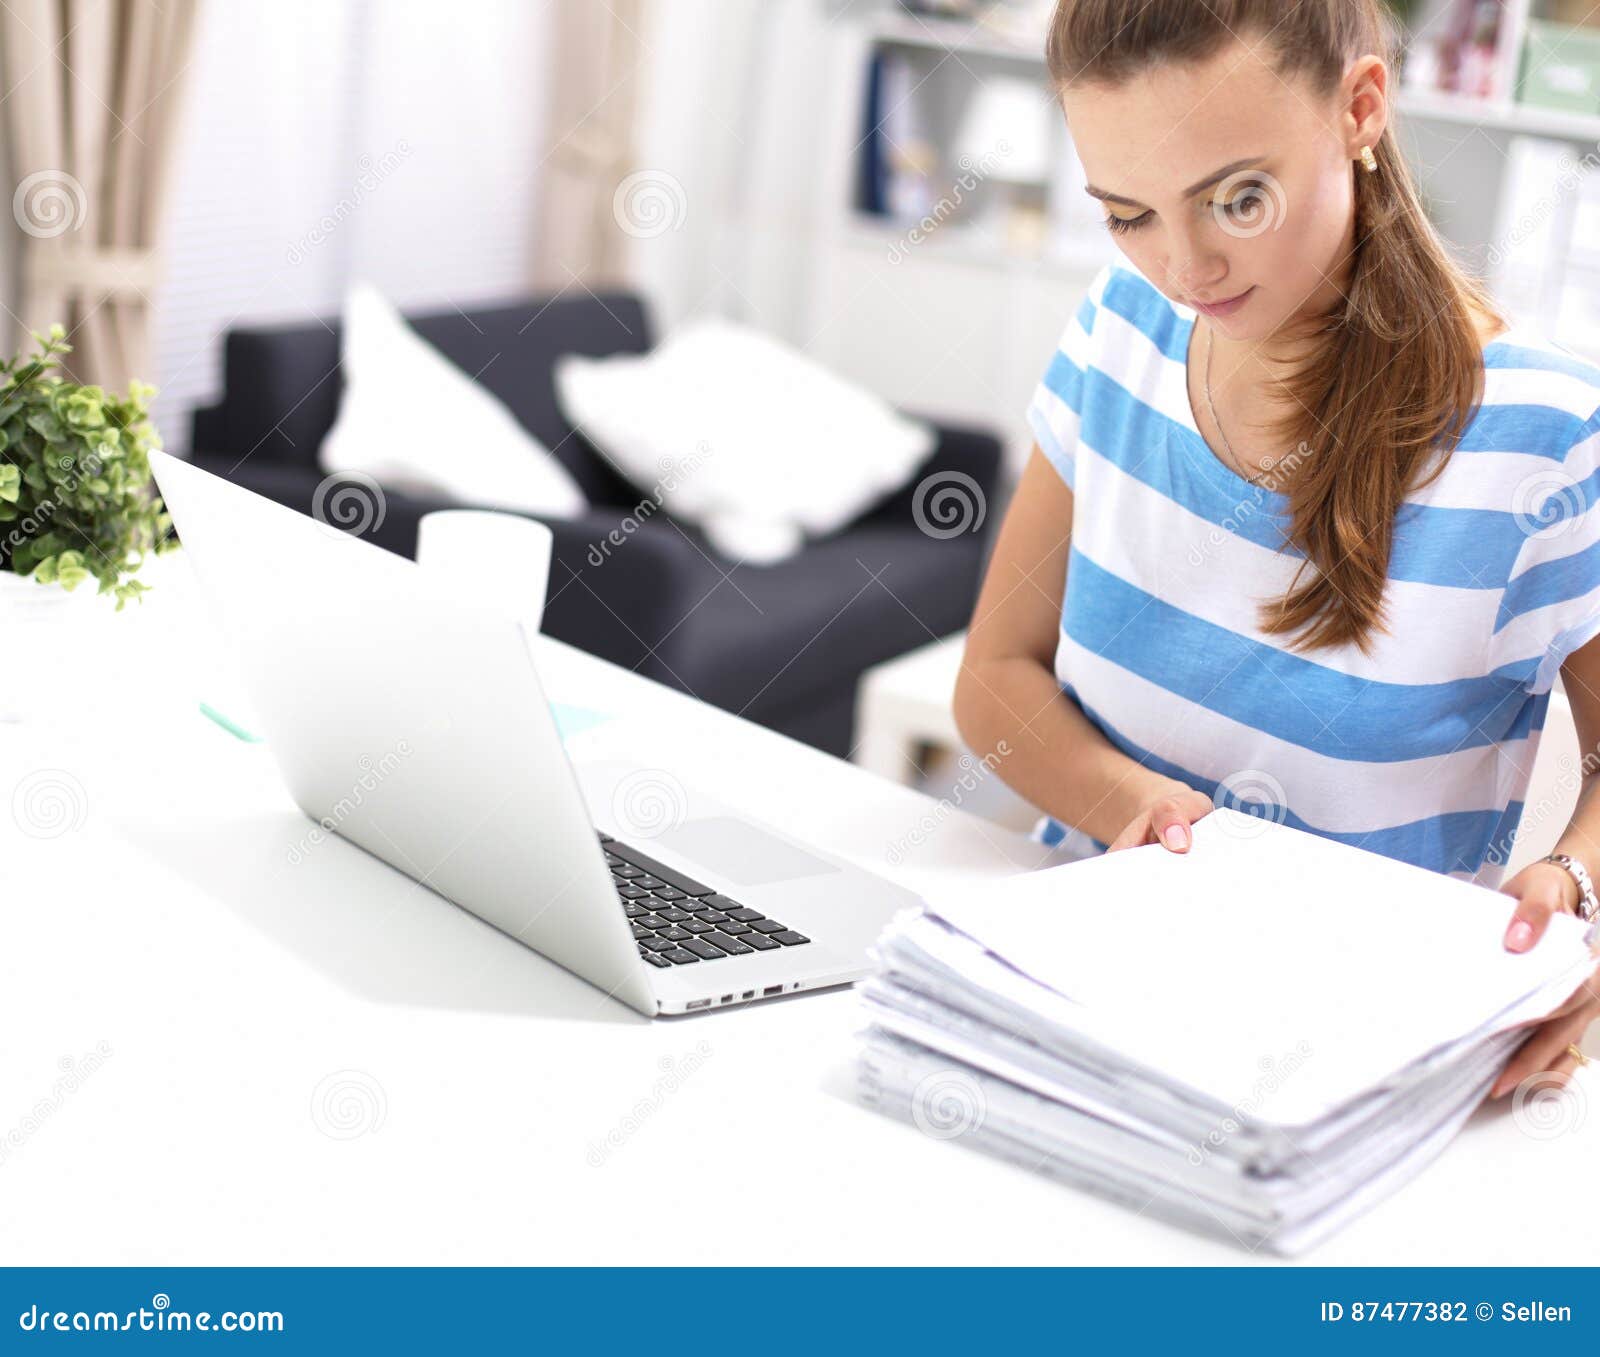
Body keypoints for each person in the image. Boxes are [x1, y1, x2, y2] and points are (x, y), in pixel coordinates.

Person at [952, 0, 1600, 1099]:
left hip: (1352, 1070)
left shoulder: (1542, 434)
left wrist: (1576, 892)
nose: (1183, 264)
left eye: (1236, 198)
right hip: (1072, 1018)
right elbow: (994, 679)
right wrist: (1134, 811)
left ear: (1359, 108)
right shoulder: (1119, 331)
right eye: (1126, 212)